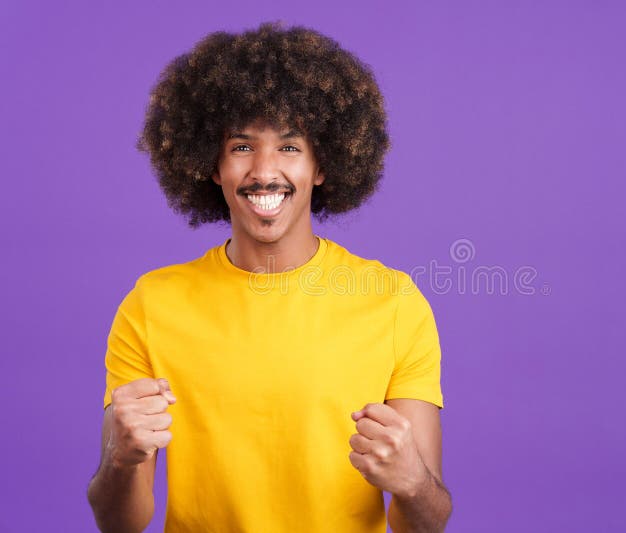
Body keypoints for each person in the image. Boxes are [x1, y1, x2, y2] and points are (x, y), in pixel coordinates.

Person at [86, 21, 452, 533]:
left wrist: (413, 482)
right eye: (241, 147)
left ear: (321, 166)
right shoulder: (151, 305)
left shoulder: (393, 303)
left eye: (289, 146)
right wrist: (120, 459)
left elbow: (426, 523)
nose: (263, 170)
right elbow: (119, 523)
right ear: (212, 167)